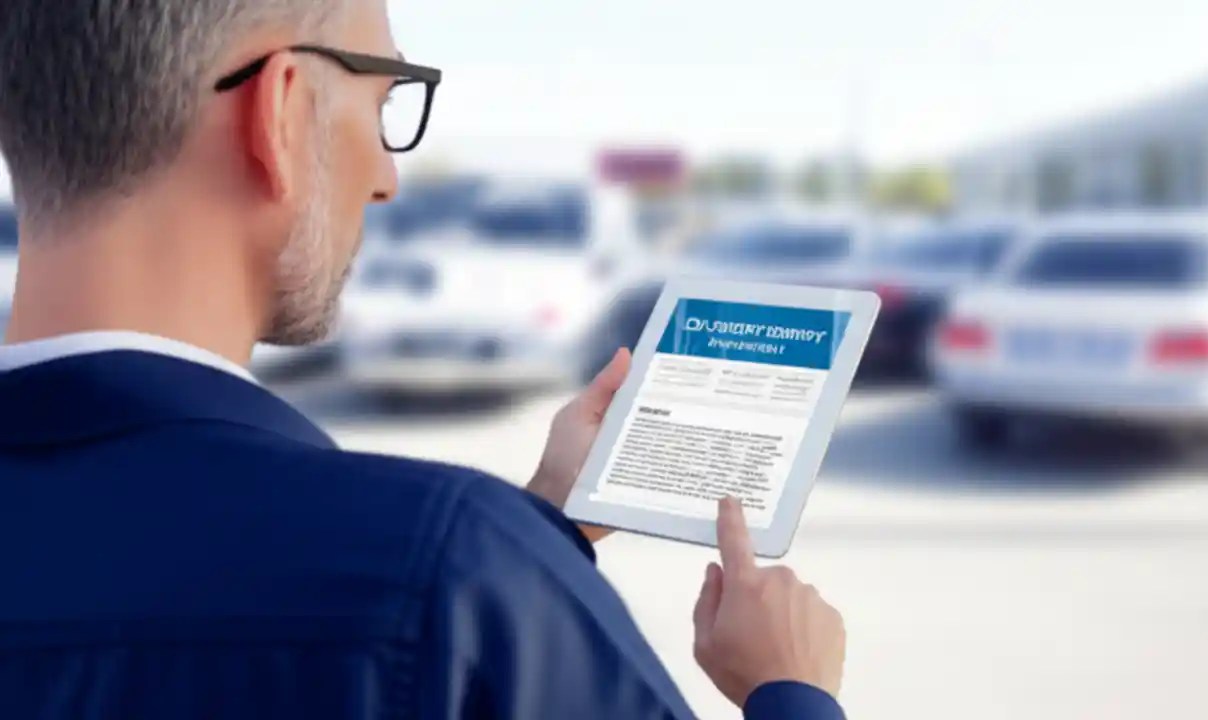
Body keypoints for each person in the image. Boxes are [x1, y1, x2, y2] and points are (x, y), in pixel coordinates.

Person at [0, 1, 848, 718]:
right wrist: (788, 689)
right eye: (385, 104)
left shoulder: (462, 569)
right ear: (282, 112)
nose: (386, 178)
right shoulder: (451, 576)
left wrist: (540, 530)